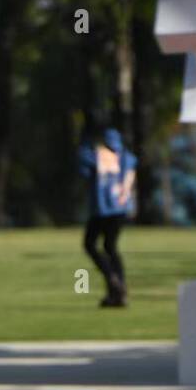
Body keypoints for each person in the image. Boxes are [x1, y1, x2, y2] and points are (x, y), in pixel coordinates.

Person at [78, 126, 137, 307]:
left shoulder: (97, 155)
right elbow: (133, 166)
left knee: (90, 244)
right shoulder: (125, 156)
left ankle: (112, 279)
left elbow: (83, 166)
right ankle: (119, 291)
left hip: (102, 208)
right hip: (120, 208)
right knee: (111, 247)